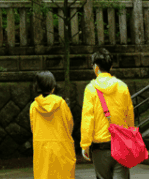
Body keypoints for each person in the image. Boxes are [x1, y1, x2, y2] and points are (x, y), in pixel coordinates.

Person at [80, 48, 135, 179]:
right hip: (121, 143)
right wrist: (131, 138)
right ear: (111, 66)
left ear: (95, 67)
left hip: (100, 146)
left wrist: (85, 144)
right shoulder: (122, 87)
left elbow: (88, 118)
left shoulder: (90, 89)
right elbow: (129, 115)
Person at [29, 70, 77, 179]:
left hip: (42, 151)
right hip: (61, 148)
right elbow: (69, 125)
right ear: (53, 86)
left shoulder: (34, 106)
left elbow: (34, 129)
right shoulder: (61, 103)